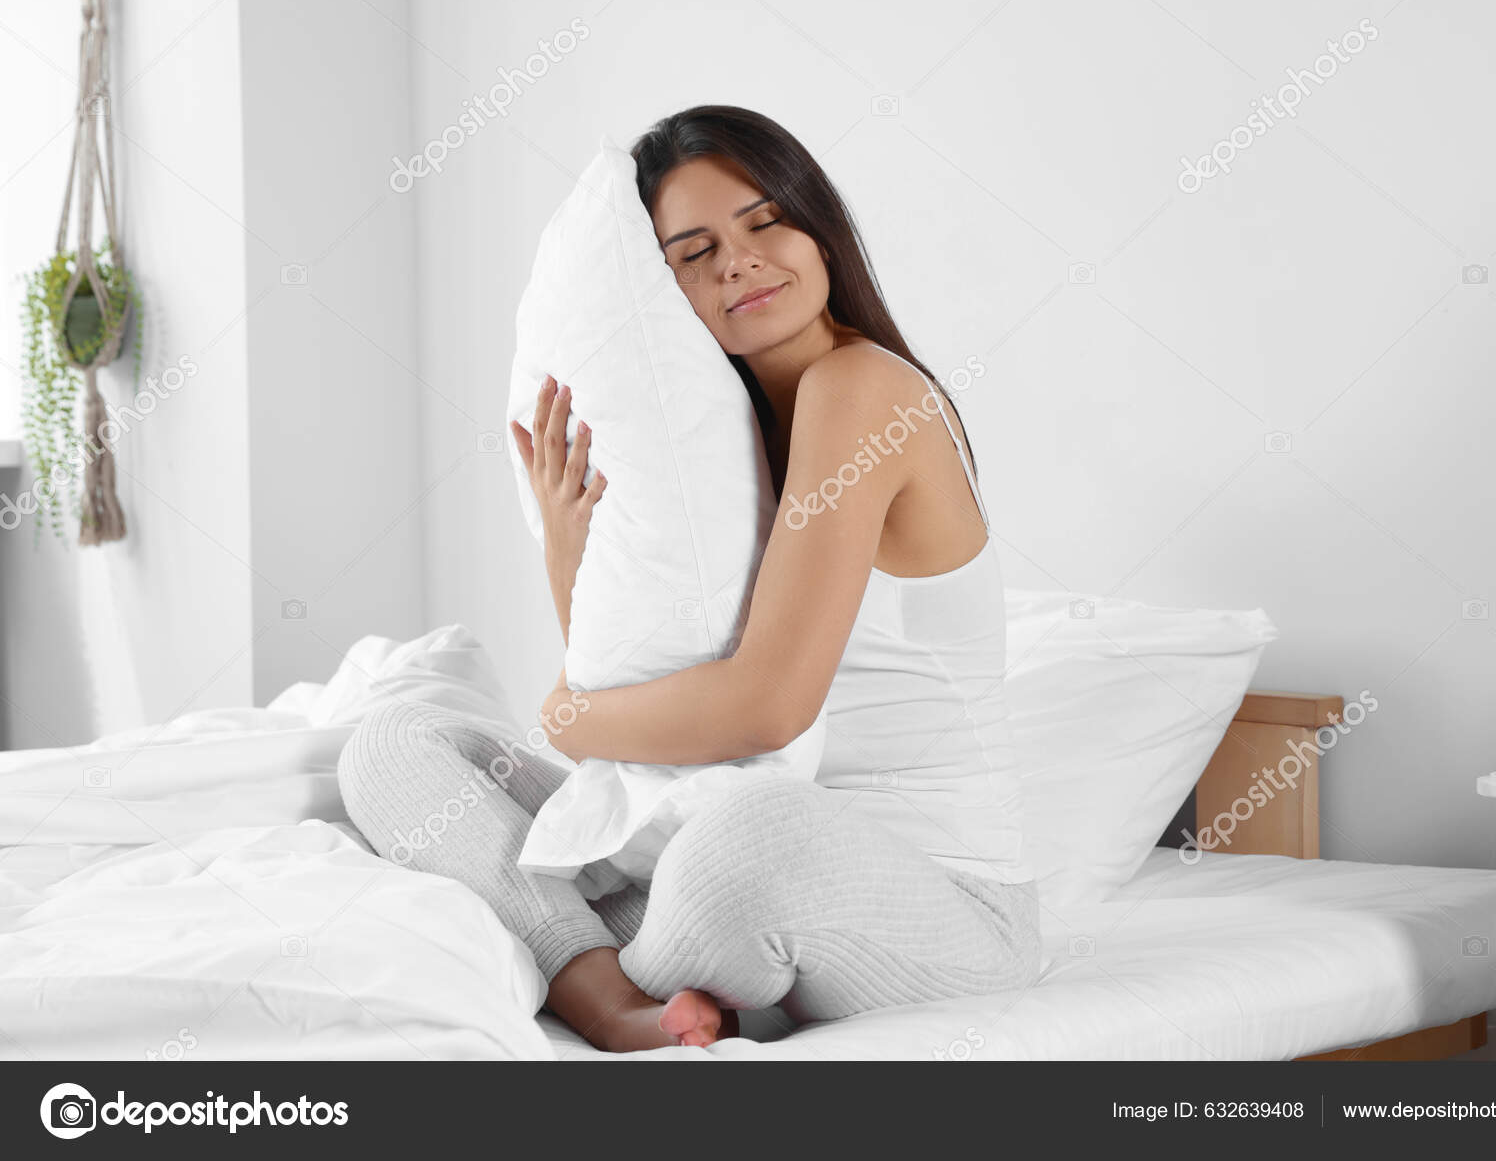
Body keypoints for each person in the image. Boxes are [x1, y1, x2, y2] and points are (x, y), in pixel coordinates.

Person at [338, 105, 1038, 1053]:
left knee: (744, 839)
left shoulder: (863, 389)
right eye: (694, 252)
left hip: (937, 904)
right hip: (728, 850)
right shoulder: (720, 444)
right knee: (394, 742)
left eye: (764, 222)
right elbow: (636, 682)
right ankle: (607, 987)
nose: (737, 264)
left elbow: (767, 708)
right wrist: (567, 549)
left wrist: (563, 718)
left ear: (819, 227)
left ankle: (594, 959)